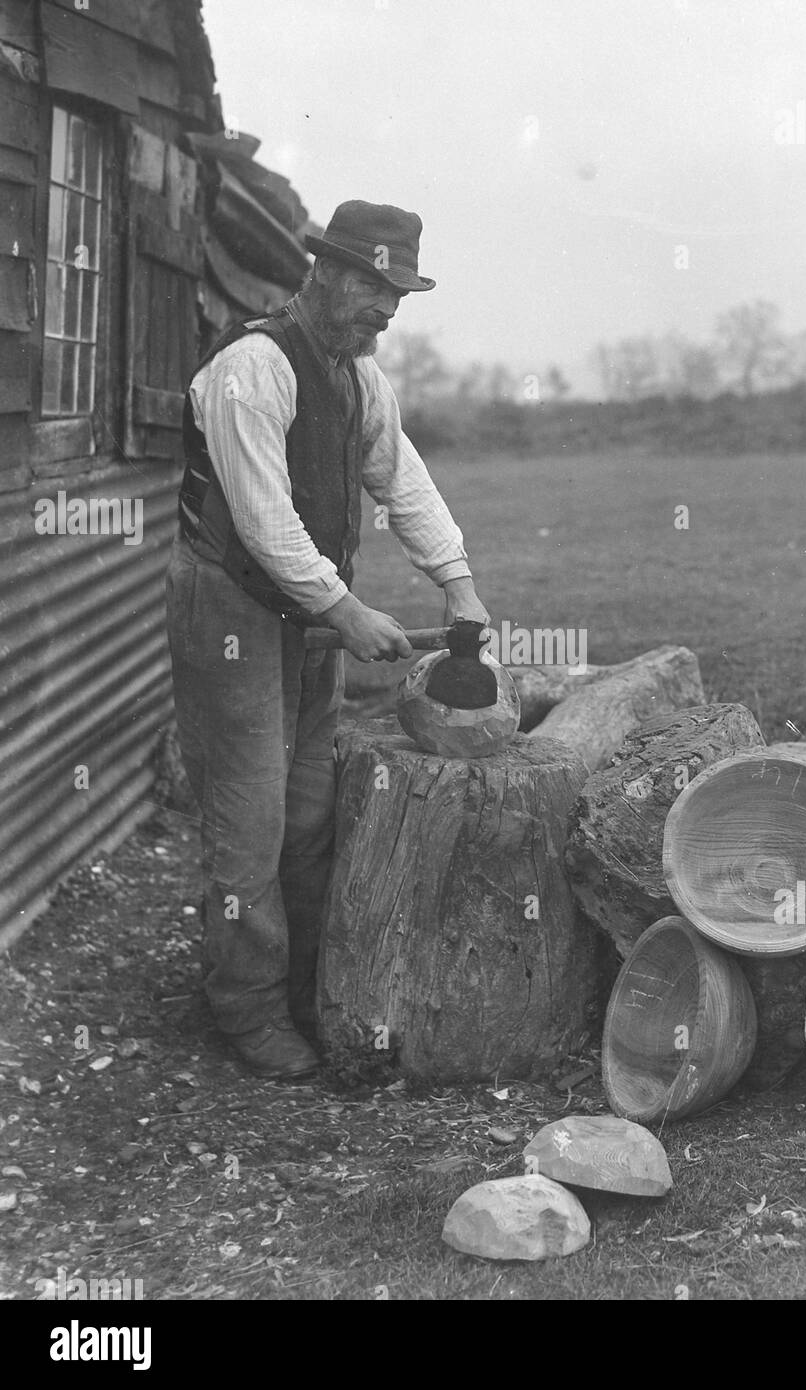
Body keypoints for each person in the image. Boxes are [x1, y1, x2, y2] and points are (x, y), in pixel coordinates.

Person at [165, 200, 489, 1079]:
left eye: (400, 294)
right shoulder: (252, 369)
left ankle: (310, 985)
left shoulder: (357, 378)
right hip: (229, 610)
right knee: (248, 822)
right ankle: (245, 1007)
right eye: (377, 288)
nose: (389, 310)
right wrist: (346, 613)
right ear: (329, 273)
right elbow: (266, 525)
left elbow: (403, 483)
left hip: (304, 617)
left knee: (307, 813)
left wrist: (455, 584)